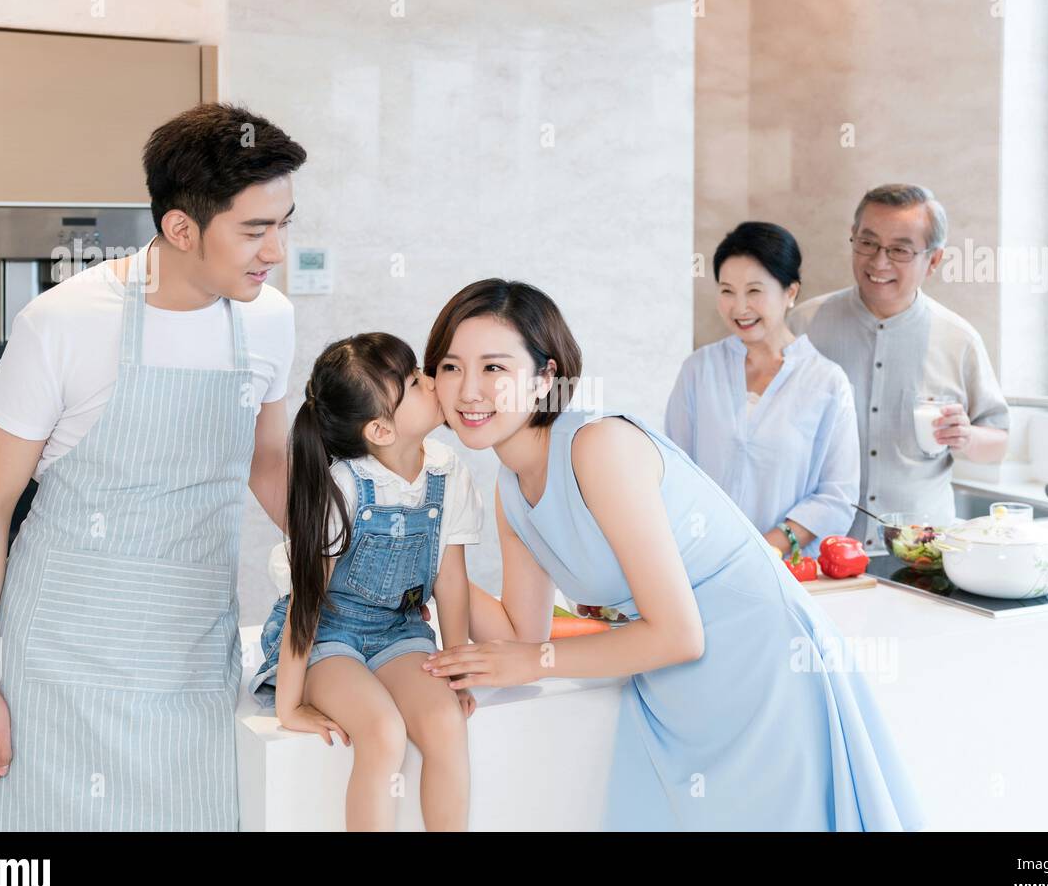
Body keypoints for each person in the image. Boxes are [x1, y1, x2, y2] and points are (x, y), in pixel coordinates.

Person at [419, 278, 926, 831]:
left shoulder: (597, 445)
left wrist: (530, 660)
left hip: (762, 668)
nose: (469, 390)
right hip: (672, 688)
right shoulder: (510, 486)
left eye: (494, 368)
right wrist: (424, 558)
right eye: (450, 367)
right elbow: (521, 632)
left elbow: (677, 633)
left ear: (545, 378)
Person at [0, 103, 304, 830]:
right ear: (180, 228)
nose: (277, 252)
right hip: (56, 666)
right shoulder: (66, 322)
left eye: (286, 223)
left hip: (189, 660)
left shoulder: (269, 320)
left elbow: (268, 463)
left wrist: (348, 549)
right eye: (255, 230)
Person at [249, 333, 481, 831]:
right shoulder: (346, 486)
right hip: (331, 635)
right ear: (379, 428)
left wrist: (456, 664)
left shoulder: (448, 474)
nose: (432, 382)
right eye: (416, 382)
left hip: (399, 631)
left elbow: (451, 581)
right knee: (383, 732)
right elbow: (307, 601)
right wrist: (290, 706)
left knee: (445, 723)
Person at [789, 183, 1010, 549]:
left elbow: (998, 442)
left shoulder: (958, 340)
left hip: (920, 556)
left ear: (934, 260)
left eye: (900, 250)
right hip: (819, 550)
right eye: (868, 243)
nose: (879, 262)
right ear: (853, 238)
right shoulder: (804, 326)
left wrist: (967, 437)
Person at [666, 221, 858, 558]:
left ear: (790, 292)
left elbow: (836, 496)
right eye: (727, 291)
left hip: (786, 570)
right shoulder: (699, 369)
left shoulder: (826, 382)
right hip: (703, 562)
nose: (739, 307)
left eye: (754, 291)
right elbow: (673, 471)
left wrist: (767, 549)